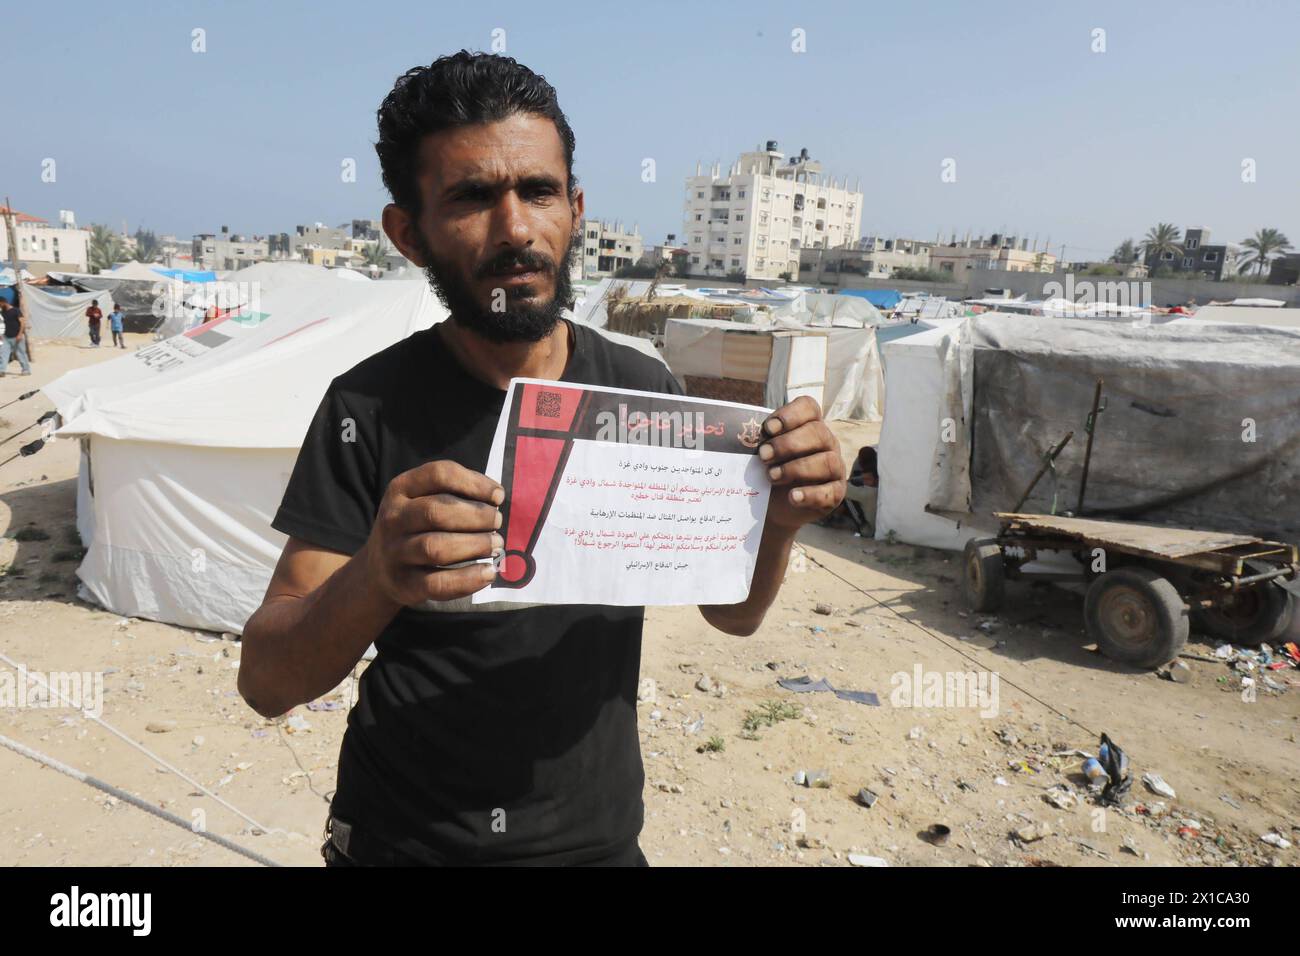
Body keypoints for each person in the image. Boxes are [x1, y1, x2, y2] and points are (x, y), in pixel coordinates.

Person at [238, 51, 846, 868]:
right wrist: (376, 575)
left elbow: (731, 615)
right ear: (408, 234)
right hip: (404, 846)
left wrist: (776, 523)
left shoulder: (643, 393)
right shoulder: (366, 409)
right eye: (472, 198)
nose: (516, 229)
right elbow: (269, 682)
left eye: (539, 191)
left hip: (598, 847)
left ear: (577, 208)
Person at [843, 446, 879, 536]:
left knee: (847, 498)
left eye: (868, 479)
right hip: (877, 524)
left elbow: (843, 488)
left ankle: (862, 526)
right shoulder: (878, 483)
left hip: (868, 531)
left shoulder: (868, 493)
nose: (865, 482)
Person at [0, 297, 31, 376]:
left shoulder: (16, 310)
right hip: (6, 337)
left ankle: (26, 370)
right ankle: (2, 371)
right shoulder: (2, 312)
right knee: (3, 354)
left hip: (17, 336)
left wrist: (20, 334)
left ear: (3, 302)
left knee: (21, 353)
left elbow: (22, 323)